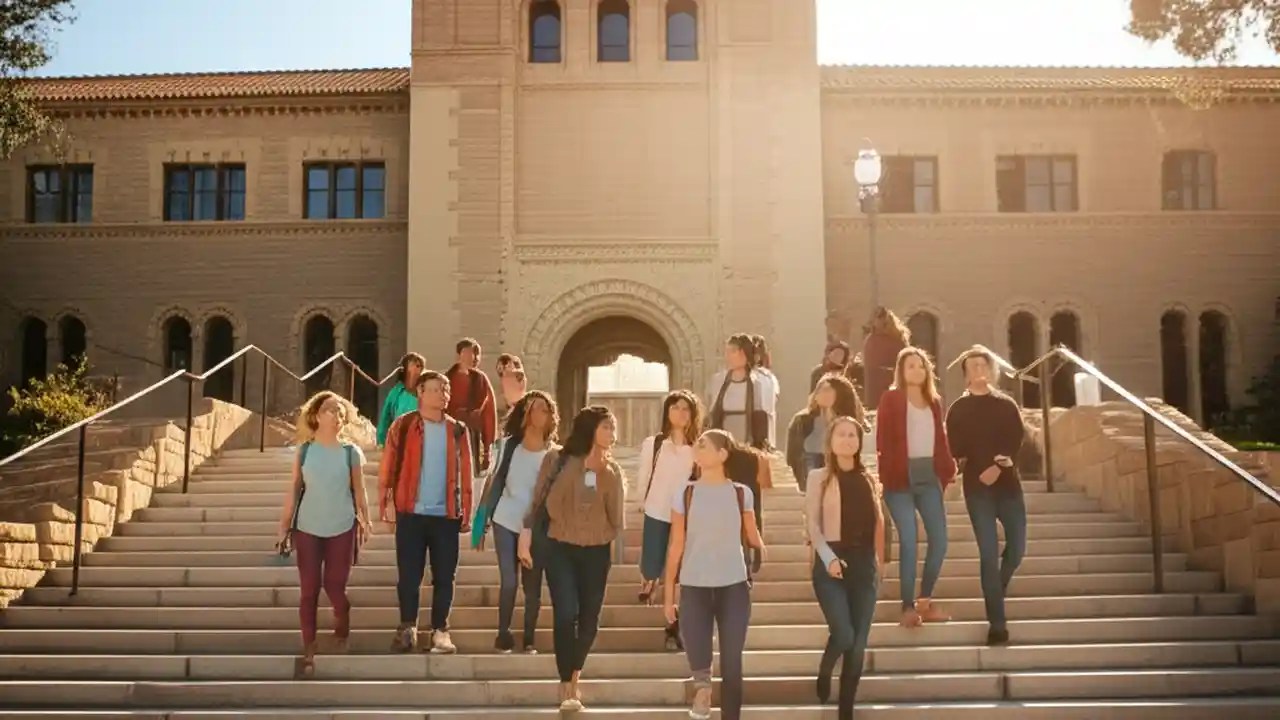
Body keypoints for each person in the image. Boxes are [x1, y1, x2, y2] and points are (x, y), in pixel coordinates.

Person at [518, 406, 625, 711]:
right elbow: (545, 501)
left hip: (596, 550)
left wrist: (602, 476)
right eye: (606, 427)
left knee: (589, 620)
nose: (611, 434)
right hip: (559, 547)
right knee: (566, 614)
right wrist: (581, 469)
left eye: (613, 428)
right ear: (591, 428)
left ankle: (575, 675)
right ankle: (566, 683)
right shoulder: (558, 459)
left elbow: (616, 517)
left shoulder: (613, 470)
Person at [663, 429, 766, 720]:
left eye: (704, 445)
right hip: (694, 587)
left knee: (732, 664)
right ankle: (703, 692)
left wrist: (760, 544)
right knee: (700, 663)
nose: (698, 447)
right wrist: (668, 596)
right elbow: (676, 547)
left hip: (733, 587)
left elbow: (752, 533)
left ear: (722, 454)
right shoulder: (685, 493)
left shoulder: (740, 493)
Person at [277, 391, 373, 678]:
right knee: (309, 590)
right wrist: (283, 524)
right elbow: (294, 488)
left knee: (334, 586)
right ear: (317, 415)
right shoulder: (304, 451)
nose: (338, 415)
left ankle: (341, 622)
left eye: (341, 411)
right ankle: (309, 646)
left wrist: (365, 518)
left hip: (342, 526)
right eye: (332, 410)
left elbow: (359, 489)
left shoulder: (350, 452)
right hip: (307, 527)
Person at [379, 371, 475, 655]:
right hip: (410, 512)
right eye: (435, 389)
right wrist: (385, 503)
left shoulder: (458, 430)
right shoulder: (404, 425)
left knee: (445, 575)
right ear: (420, 392)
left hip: (446, 514)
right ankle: (407, 627)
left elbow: (467, 473)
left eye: (445, 390)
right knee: (409, 574)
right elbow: (388, 466)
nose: (442, 394)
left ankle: (440, 631)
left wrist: (466, 511)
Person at [946, 344, 1026, 646]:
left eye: (983, 365)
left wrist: (1002, 461)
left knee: (1017, 549)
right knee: (988, 554)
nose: (979, 371)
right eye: (973, 367)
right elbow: (955, 447)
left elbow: (1016, 439)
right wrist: (971, 465)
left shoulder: (1006, 404)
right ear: (966, 374)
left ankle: (996, 587)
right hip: (978, 487)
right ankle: (997, 624)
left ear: (992, 370)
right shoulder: (958, 409)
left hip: (1008, 486)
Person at [805, 416, 885, 720]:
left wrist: (879, 562)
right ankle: (826, 669)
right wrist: (828, 558)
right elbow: (812, 524)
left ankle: (845, 713)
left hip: (864, 563)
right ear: (831, 441)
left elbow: (879, 523)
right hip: (831, 561)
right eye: (841, 434)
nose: (848, 440)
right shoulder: (819, 477)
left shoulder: (869, 478)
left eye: (853, 435)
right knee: (844, 634)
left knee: (858, 644)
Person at [876, 347, 956, 627]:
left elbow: (940, 441)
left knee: (940, 541)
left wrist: (947, 472)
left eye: (921, 366)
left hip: (928, 477)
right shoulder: (891, 399)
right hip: (899, 479)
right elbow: (882, 441)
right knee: (909, 540)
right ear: (901, 370)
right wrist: (886, 476)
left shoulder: (934, 402)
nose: (916, 370)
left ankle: (925, 600)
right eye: (910, 366)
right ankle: (907, 606)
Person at [480, 390, 558, 654]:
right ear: (525, 413)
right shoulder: (509, 446)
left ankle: (529, 639)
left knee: (532, 586)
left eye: (545, 410)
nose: (539, 414)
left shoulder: (554, 454)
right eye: (534, 408)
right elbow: (494, 482)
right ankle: (503, 635)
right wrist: (483, 522)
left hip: (535, 526)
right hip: (505, 518)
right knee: (509, 581)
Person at [635, 390, 701, 650]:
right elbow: (644, 474)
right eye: (676, 407)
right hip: (656, 510)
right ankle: (650, 583)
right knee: (651, 567)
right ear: (667, 411)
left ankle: (673, 629)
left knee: (677, 575)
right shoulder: (654, 443)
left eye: (687, 408)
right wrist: (640, 502)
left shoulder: (697, 447)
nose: (681, 413)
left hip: (684, 516)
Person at [786, 374, 865, 491]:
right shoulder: (801, 420)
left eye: (827, 389)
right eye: (819, 389)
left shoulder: (848, 423)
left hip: (839, 466)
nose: (821, 393)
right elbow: (792, 455)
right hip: (810, 466)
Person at [707, 333, 777, 452]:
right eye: (727, 352)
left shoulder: (761, 381)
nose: (728, 356)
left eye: (733, 351)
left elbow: (765, 418)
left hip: (750, 445)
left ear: (745, 353)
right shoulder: (719, 380)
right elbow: (713, 414)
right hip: (724, 445)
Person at [445, 337, 497, 472]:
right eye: (469, 353)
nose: (473, 357)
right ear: (459, 355)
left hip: (472, 436)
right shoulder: (446, 380)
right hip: (449, 435)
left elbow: (488, 414)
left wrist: (487, 448)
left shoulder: (481, 380)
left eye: (476, 353)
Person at [861, 307, 910, 407]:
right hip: (874, 385)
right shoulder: (871, 339)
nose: (876, 322)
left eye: (879, 318)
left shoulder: (897, 339)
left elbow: (904, 359)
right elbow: (869, 366)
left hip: (893, 382)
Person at [377, 352, 425, 447]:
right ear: (405, 368)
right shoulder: (397, 392)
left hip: (419, 439)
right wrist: (381, 440)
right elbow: (386, 416)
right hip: (399, 438)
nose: (416, 369)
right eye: (413, 365)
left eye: (419, 366)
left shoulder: (425, 390)